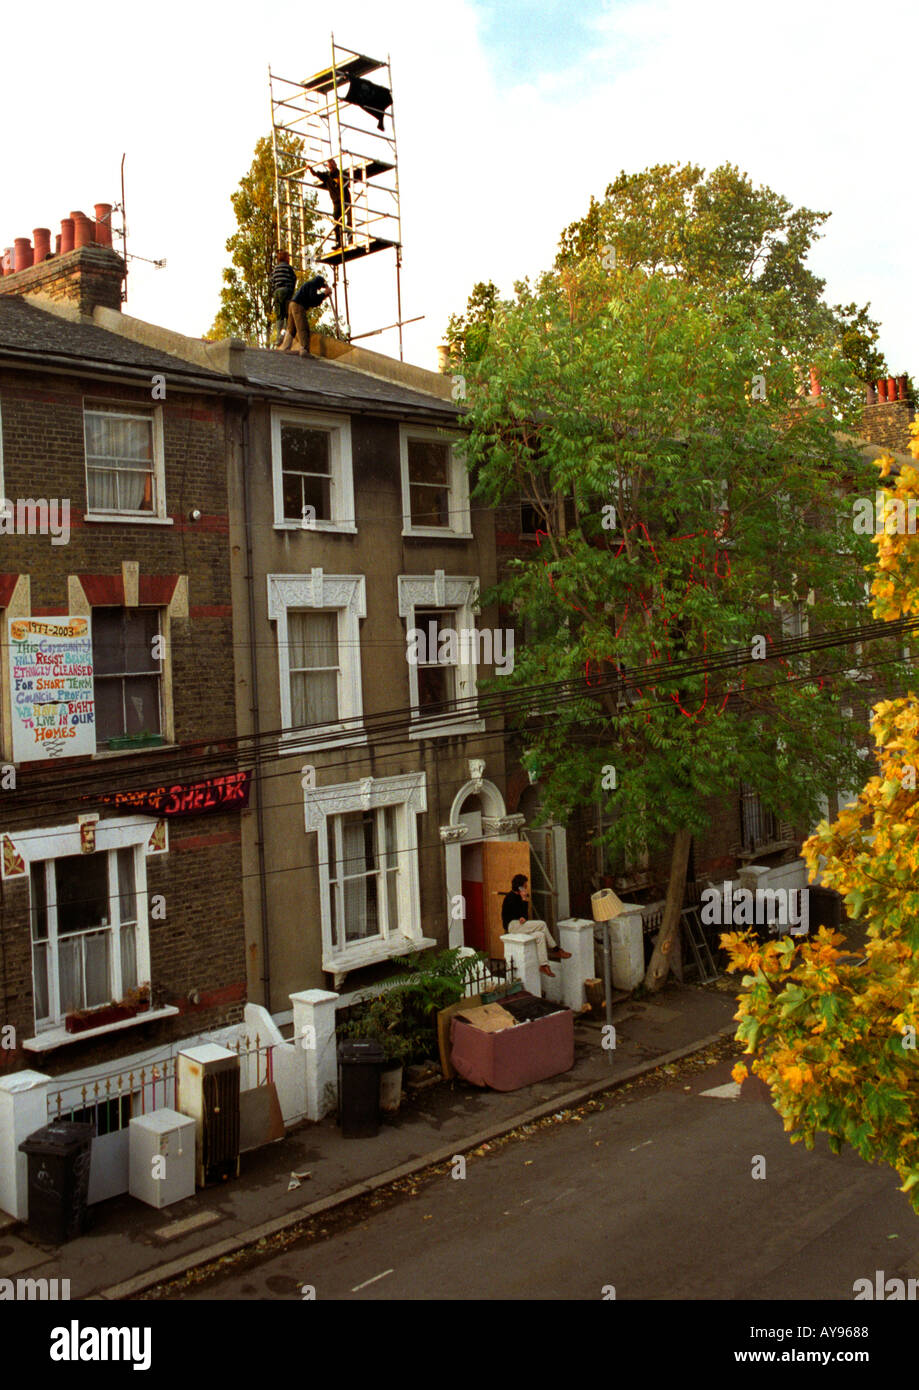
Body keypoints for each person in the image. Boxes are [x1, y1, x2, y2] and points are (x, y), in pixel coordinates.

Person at [500, 874, 571, 977]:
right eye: (525, 885)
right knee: (542, 924)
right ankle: (556, 950)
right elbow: (511, 917)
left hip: (519, 925)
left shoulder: (520, 897)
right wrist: (523, 902)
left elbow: (524, 917)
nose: (526, 887)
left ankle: (544, 965)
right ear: (520, 887)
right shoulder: (509, 898)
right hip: (512, 925)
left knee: (540, 935)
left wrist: (524, 901)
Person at [278, 274, 333, 356]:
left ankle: (285, 347)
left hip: (292, 304)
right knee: (302, 327)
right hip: (298, 305)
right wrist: (324, 294)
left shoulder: (309, 284)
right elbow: (313, 299)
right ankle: (304, 349)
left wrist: (324, 296)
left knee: (291, 328)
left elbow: (314, 302)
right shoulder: (312, 285)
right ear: (319, 283)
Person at [307, 159, 353, 250]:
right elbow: (316, 174)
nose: (331, 167)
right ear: (328, 167)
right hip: (336, 202)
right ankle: (339, 242)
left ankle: (350, 239)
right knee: (337, 222)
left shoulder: (341, 173)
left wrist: (341, 180)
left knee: (349, 220)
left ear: (335, 165)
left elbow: (349, 182)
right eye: (329, 166)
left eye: (332, 165)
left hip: (346, 199)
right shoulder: (327, 176)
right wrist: (310, 169)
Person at [269, 251, 297, 347]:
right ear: (285, 258)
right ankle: (284, 335)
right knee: (288, 315)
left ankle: (278, 337)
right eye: (288, 257)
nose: (289, 258)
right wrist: (291, 290)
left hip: (277, 293)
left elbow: (271, 280)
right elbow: (294, 278)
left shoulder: (275, 269)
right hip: (286, 291)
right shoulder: (288, 268)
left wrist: (274, 290)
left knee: (279, 316)